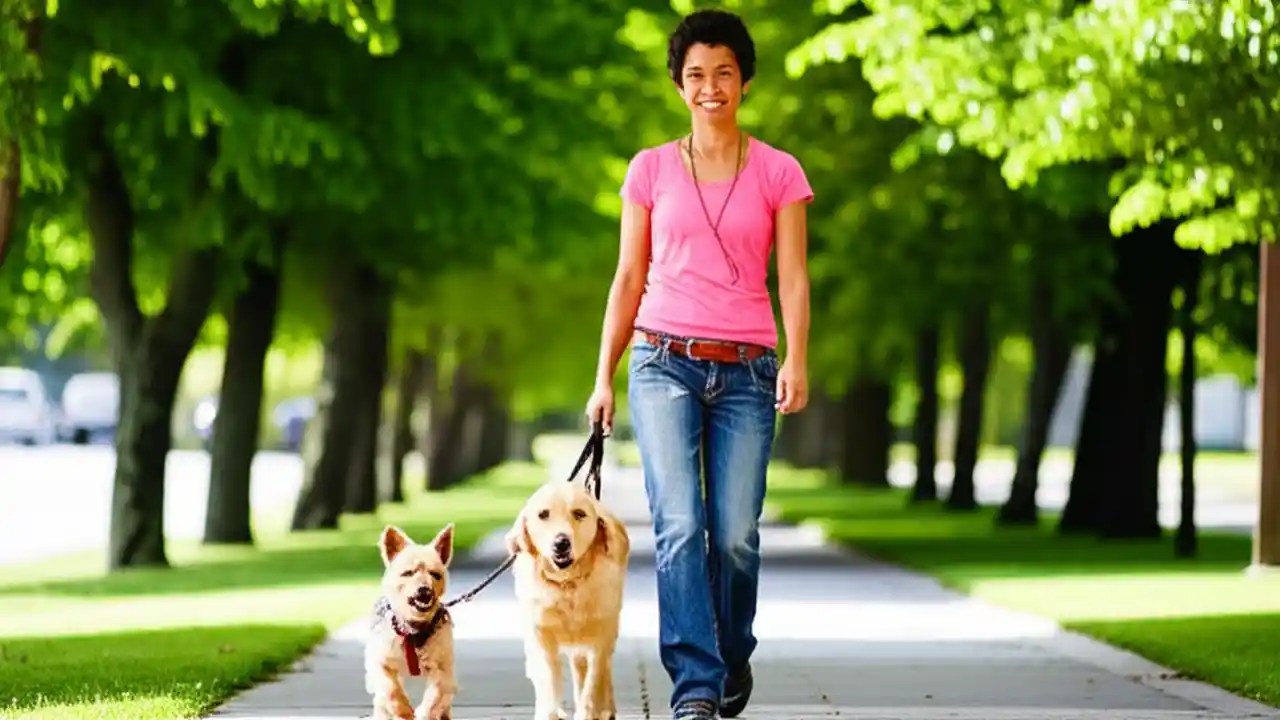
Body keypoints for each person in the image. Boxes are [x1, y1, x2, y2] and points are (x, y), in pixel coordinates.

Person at [584, 9, 814, 720]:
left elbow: (796, 279)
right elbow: (628, 277)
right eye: (694, 76)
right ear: (679, 86)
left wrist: (797, 360)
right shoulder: (650, 168)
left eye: (722, 73)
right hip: (662, 363)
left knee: (738, 531)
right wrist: (603, 378)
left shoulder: (780, 170)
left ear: (743, 79)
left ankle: (727, 651)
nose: (709, 87)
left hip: (747, 368)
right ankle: (695, 687)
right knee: (679, 523)